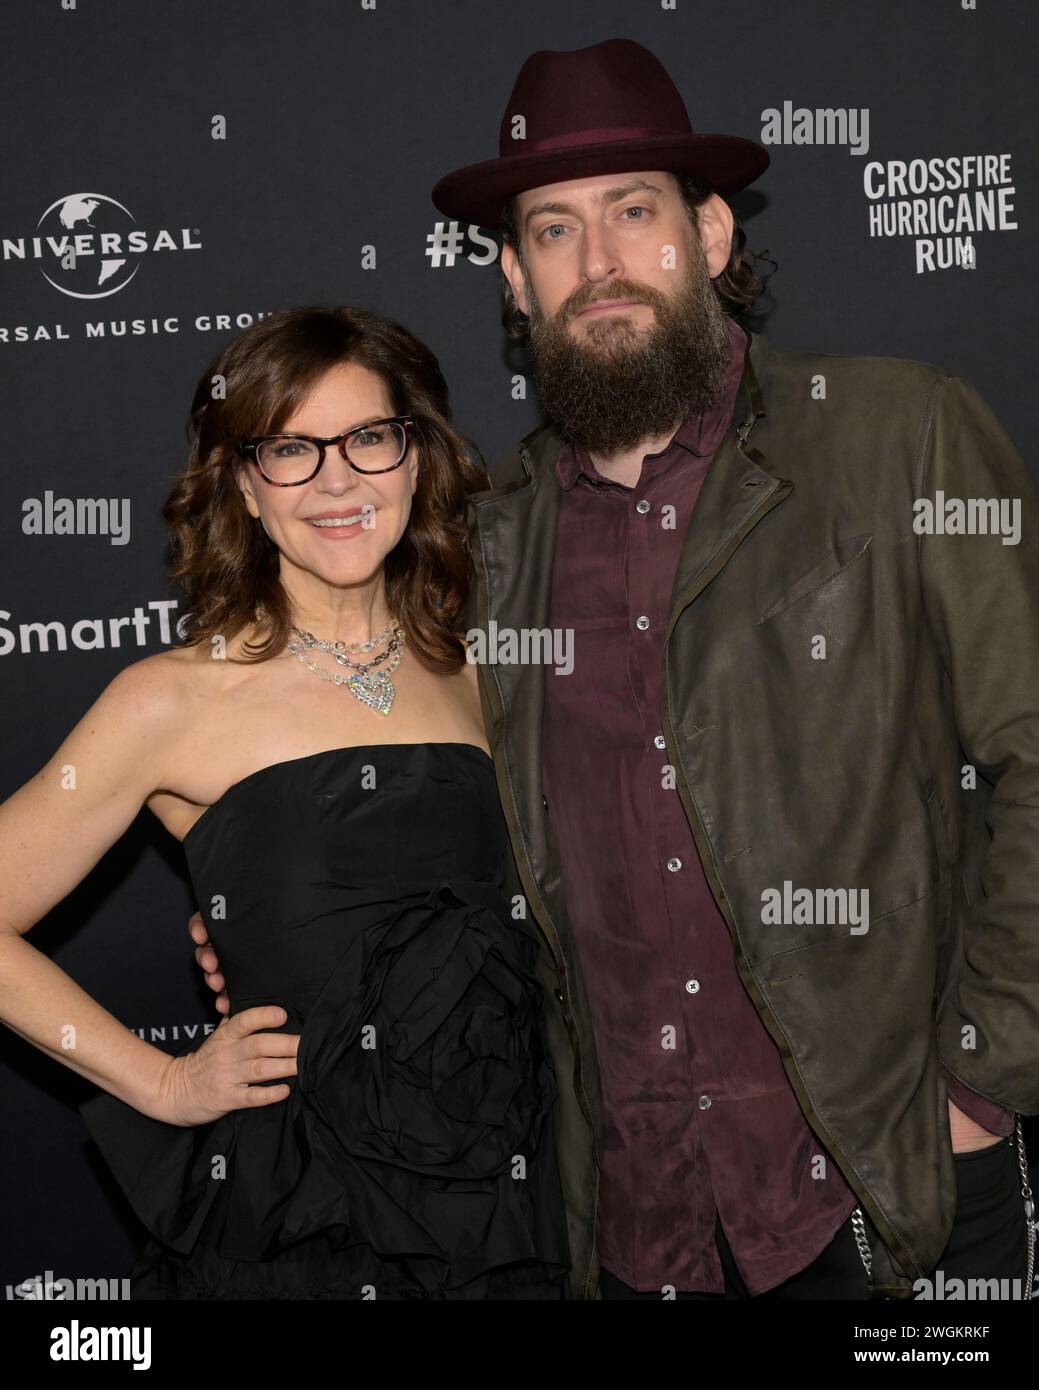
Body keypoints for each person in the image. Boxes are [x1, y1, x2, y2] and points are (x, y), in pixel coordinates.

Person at [198, 38, 1039, 1302]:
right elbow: (420, 788)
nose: (597, 265)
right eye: (553, 231)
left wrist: (981, 1076)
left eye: (632, 212)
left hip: (885, 1194)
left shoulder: (897, 435)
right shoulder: (492, 536)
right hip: (636, 1227)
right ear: (515, 279)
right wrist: (270, 910)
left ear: (707, 234)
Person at [0, 305, 570, 1299]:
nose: (338, 480)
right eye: (291, 450)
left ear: (415, 459)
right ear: (245, 487)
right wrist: (164, 1079)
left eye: (367, 438)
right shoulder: (171, 698)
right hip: (301, 1217)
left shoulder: (491, 673)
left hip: (512, 1206)